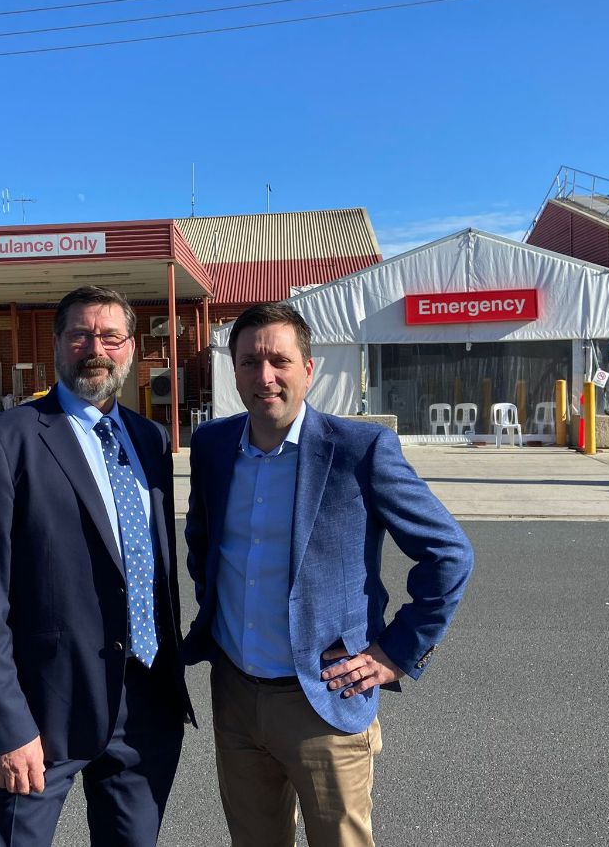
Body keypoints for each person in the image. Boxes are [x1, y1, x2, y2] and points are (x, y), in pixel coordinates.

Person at [182, 301, 473, 847]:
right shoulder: (212, 446)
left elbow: (448, 554)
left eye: (279, 361)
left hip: (323, 700)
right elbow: (203, 542)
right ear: (234, 370)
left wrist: (393, 654)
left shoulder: (359, 450)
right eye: (249, 362)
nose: (264, 376)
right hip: (237, 697)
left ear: (308, 369)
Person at [0, 286, 193, 846]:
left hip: (145, 705)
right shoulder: (4, 441)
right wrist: (5, 726)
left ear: (130, 347)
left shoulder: (151, 440)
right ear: (58, 343)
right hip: (42, 714)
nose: (95, 349)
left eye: (111, 336)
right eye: (81, 334)